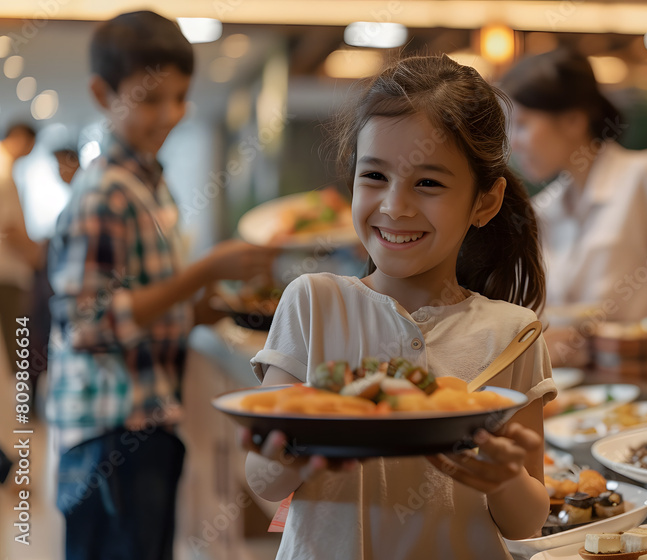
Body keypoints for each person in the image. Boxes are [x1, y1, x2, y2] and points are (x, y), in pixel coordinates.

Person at [243, 54, 556, 559]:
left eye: (428, 183)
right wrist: (301, 446)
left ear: (485, 202)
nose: (395, 206)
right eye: (374, 176)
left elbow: (526, 521)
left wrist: (505, 479)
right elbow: (263, 480)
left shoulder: (513, 333)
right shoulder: (315, 303)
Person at [46, 11, 278, 560]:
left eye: (180, 97)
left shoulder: (151, 185)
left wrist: (211, 307)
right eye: (151, 100)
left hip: (147, 417)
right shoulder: (104, 192)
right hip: (108, 428)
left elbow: (146, 307)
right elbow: (90, 324)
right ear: (103, 94)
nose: (170, 114)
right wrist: (202, 272)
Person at [500, 48, 647, 367]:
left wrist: (624, 338)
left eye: (522, 124)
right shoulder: (544, 208)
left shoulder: (645, 175)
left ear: (574, 120)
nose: (514, 141)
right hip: (577, 400)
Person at [0, 123, 39, 364]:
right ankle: (21, 402)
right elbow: (9, 229)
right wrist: (36, 254)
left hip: (8, 273)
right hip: (8, 274)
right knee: (17, 350)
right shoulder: (3, 171)